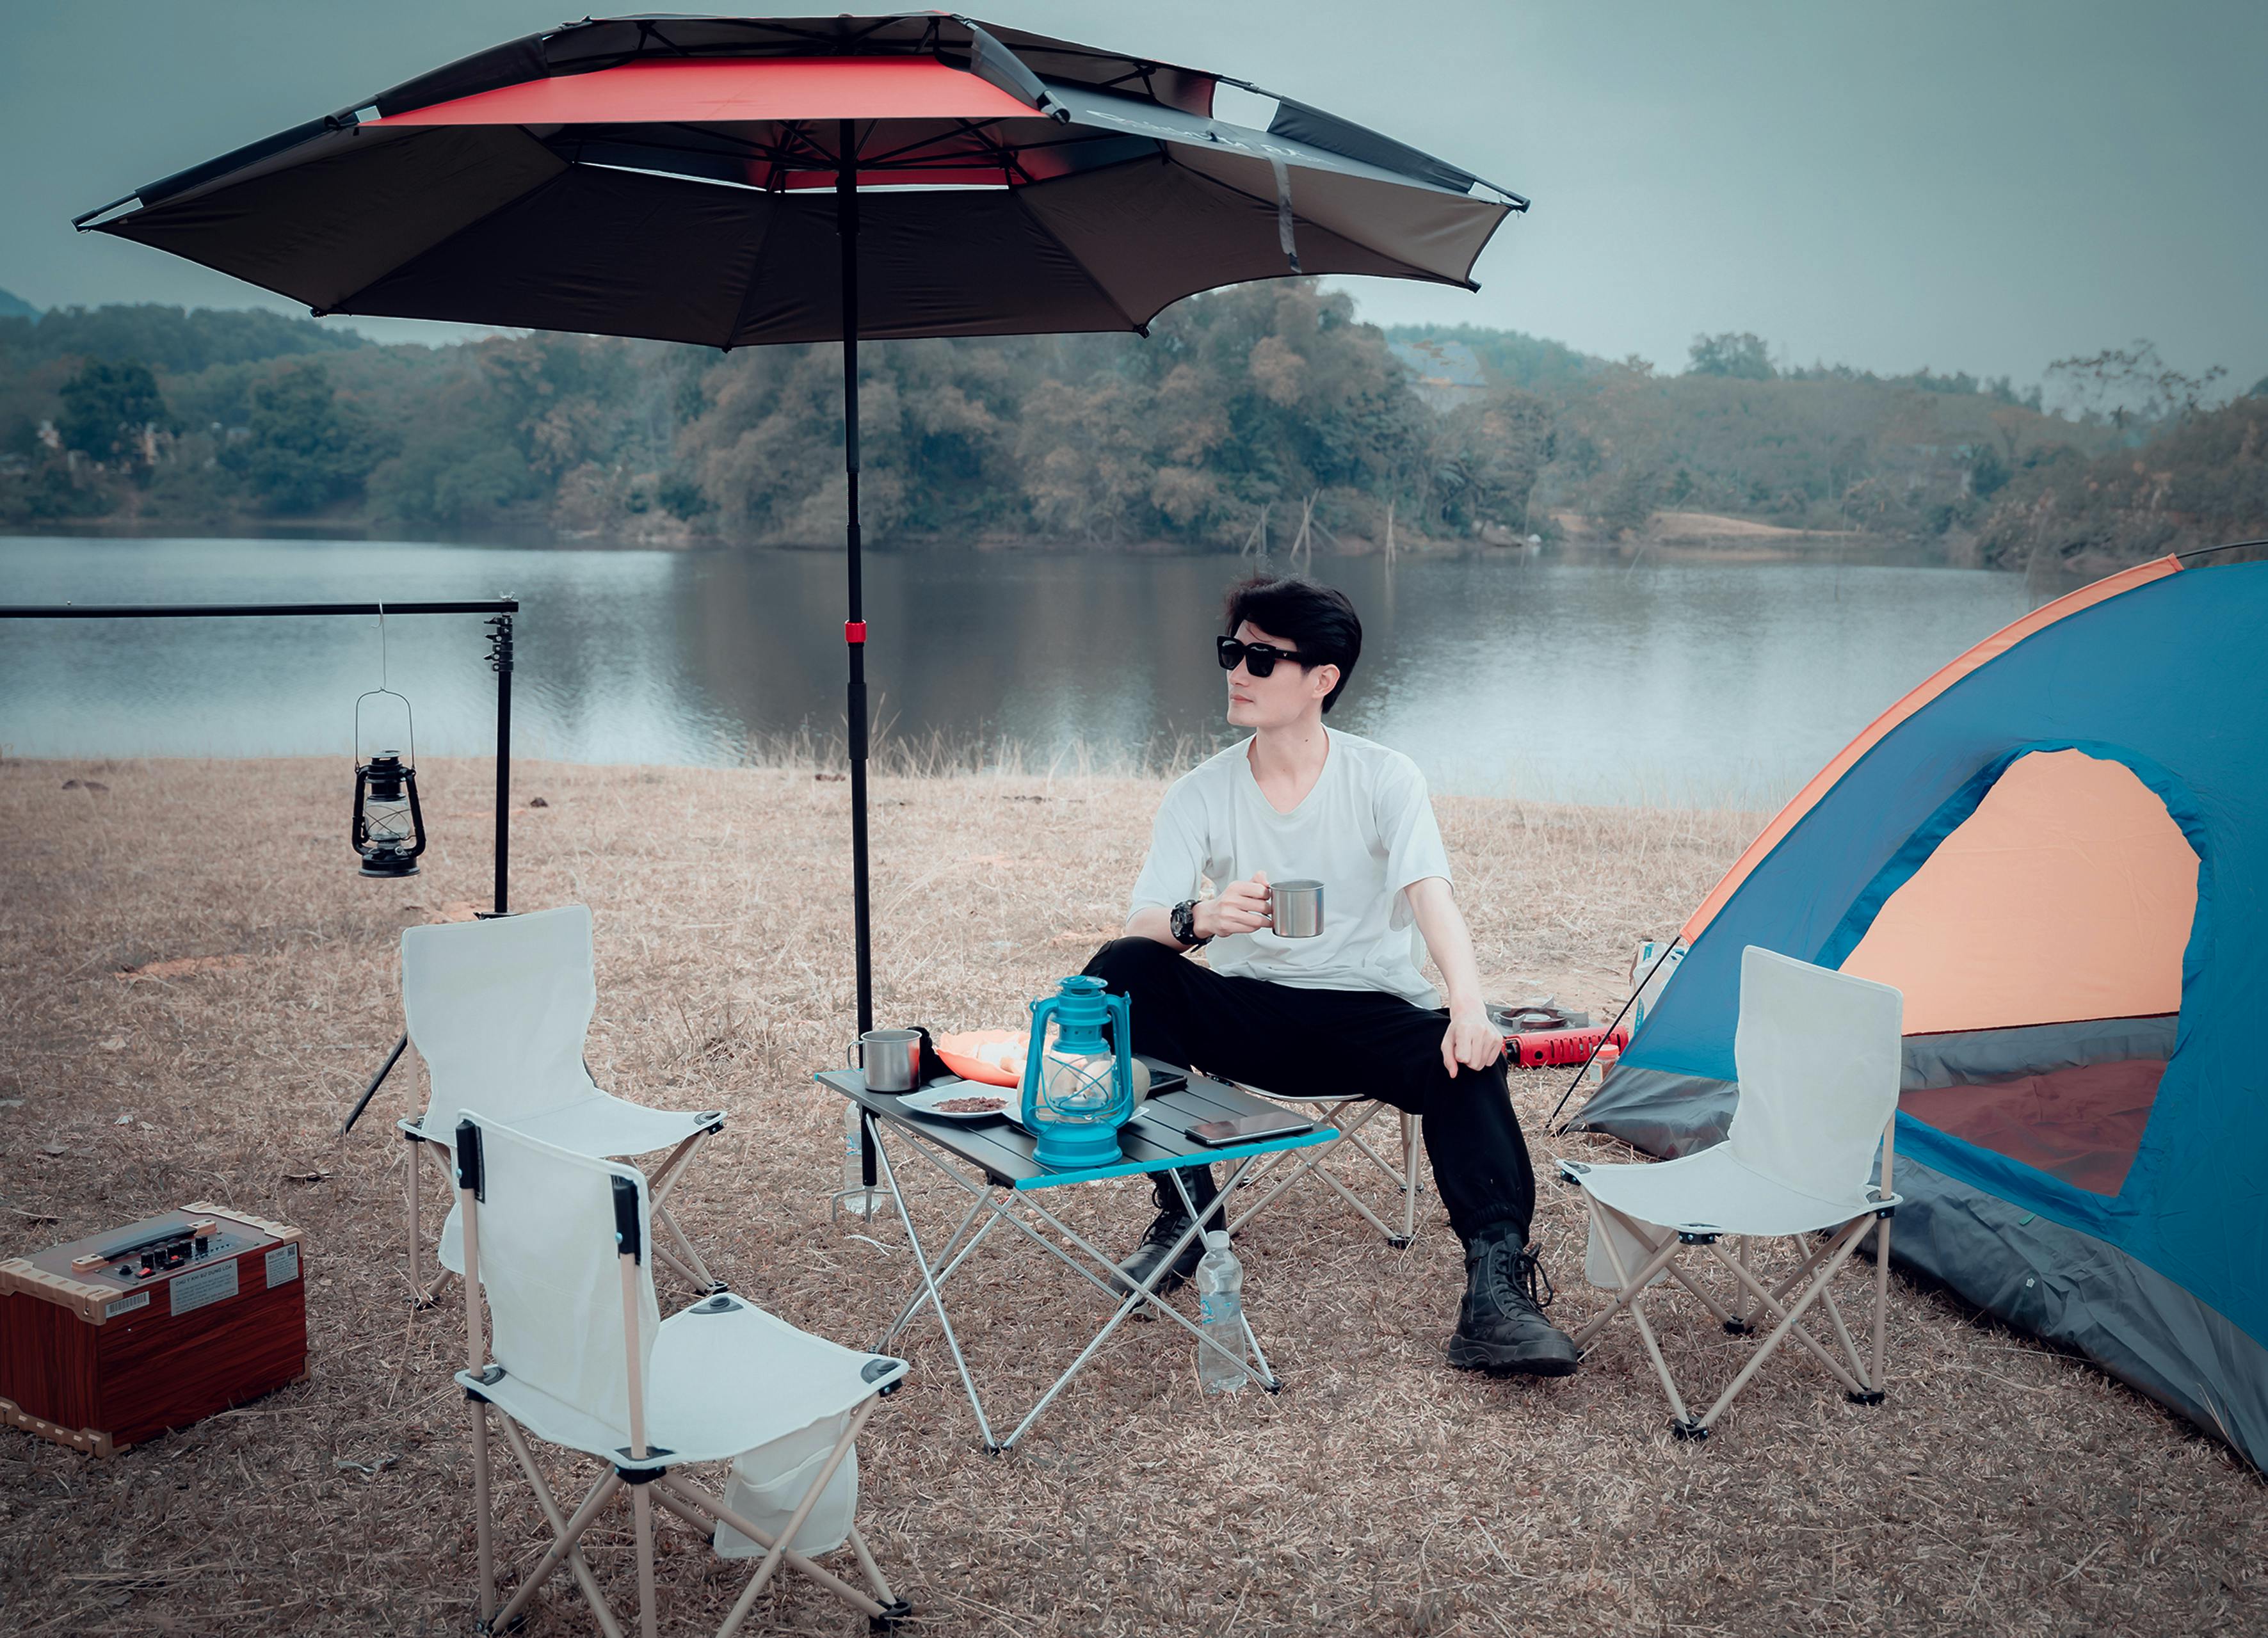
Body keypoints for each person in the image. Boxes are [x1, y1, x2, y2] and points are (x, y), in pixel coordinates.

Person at [1083, 574, 1579, 1377]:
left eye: (1261, 658)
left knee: (1465, 1054)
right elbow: (1143, 923)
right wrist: (1199, 919)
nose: (1237, 672)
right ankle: (1185, 1212)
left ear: (1323, 680)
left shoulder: (1384, 777)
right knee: (1124, 968)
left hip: (1369, 1020)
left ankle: (1497, 1293)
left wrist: (1469, 1005)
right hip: (1247, 1016)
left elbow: (1431, 895)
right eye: (1231, 652)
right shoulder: (1200, 792)